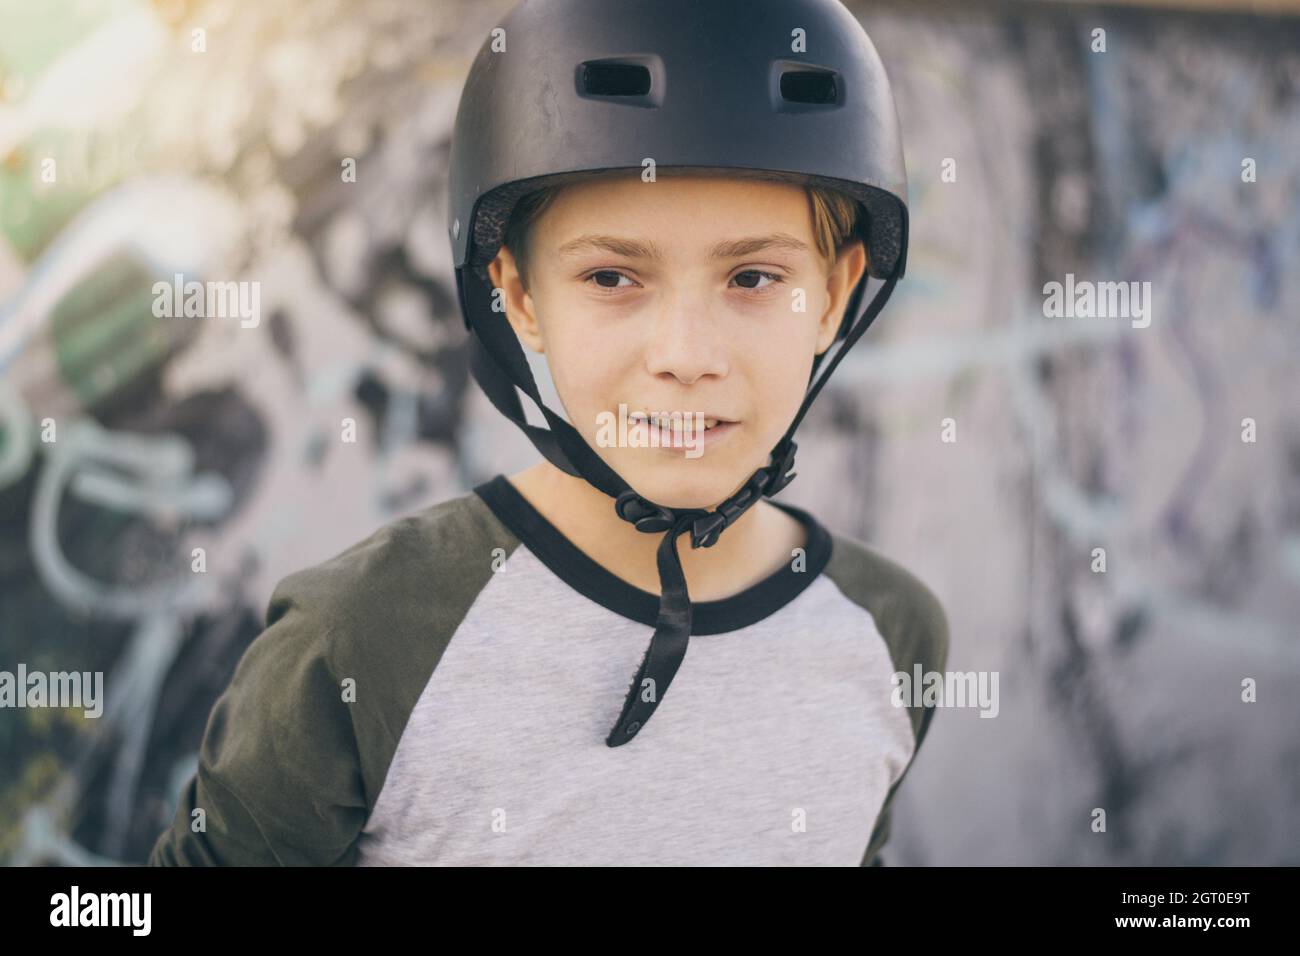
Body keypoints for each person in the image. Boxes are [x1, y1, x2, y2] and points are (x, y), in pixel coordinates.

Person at [149, 0, 948, 866]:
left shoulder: (889, 632)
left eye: (753, 277)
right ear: (521, 299)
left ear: (830, 297)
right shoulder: (360, 641)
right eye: (613, 276)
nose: (686, 356)